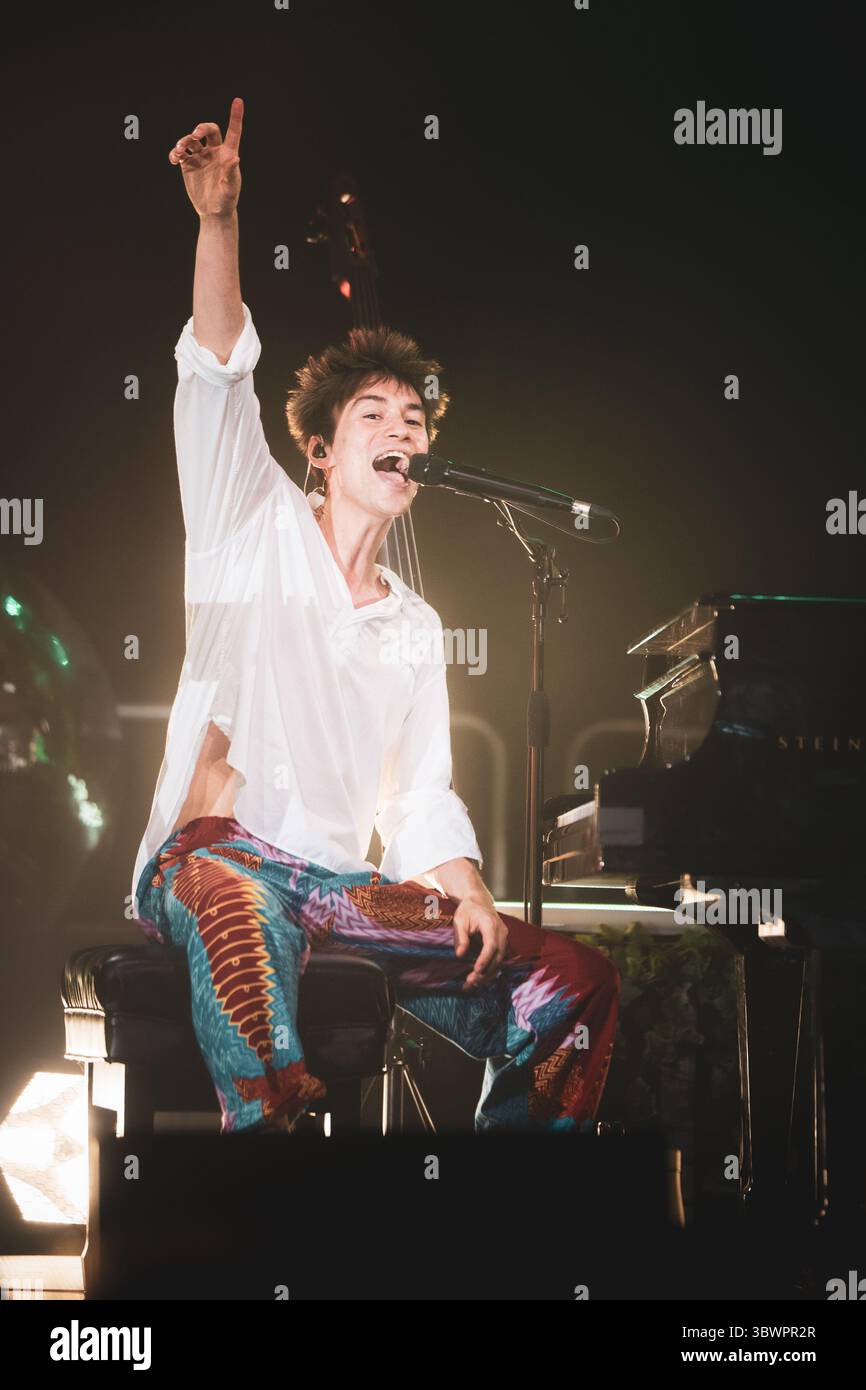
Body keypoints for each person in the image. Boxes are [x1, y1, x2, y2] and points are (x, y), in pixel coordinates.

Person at [130, 96, 620, 1135]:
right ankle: (264, 1183)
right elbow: (217, 371)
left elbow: (422, 793)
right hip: (220, 859)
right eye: (374, 416)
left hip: (341, 889)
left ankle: (504, 1230)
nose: (400, 432)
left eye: (413, 421)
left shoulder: (412, 624)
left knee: (571, 978)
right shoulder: (245, 522)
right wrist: (216, 221)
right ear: (318, 447)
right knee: (235, 896)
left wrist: (468, 889)